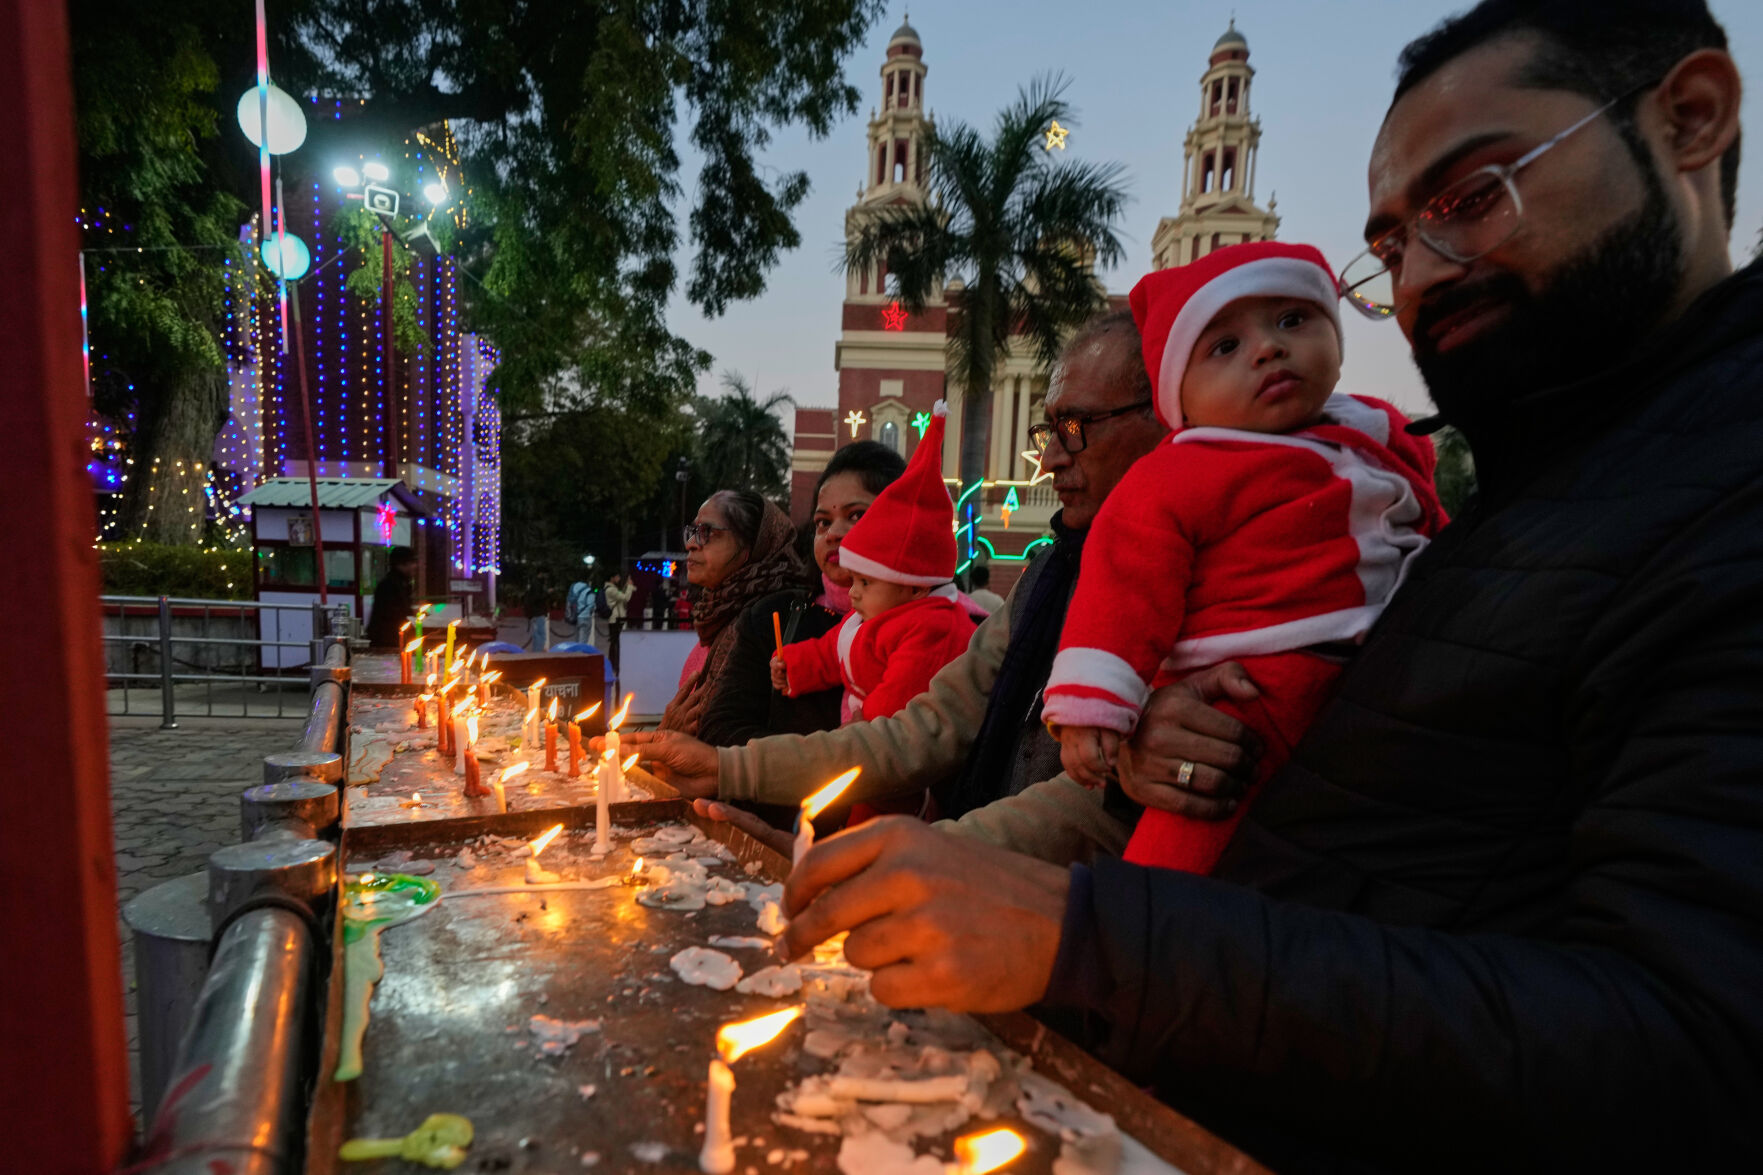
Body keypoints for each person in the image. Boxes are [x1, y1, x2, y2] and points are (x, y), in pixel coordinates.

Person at [776, 1, 1763, 1167]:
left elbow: (1690, 1056)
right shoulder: (1522, 491)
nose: (1420, 278)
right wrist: (1160, 738)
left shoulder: (1713, 500)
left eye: (1470, 195)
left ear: (1689, 120)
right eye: (1390, 246)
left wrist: (1087, 937)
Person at [617, 311, 1206, 860]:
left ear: (1169, 416)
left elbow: (1089, 807)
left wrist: (874, 860)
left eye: (1075, 427)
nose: (1049, 458)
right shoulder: (1047, 578)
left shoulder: (1217, 596)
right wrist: (726, 769)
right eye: (1047, 430)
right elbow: (923, 730)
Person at [1044, 244, 1446, 873]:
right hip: (1249, 692)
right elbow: (1122, 588)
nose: (1268, 348)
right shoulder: (1179, 473)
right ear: (1180, 400)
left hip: (1384, 690)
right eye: (1225, 346)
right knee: (1177, 855)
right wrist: (1095, 704)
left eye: (1292, 320)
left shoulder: (1380, 434)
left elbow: (1430, 521)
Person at [772, 404, 977, 818]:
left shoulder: (934, 626)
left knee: (870, 829)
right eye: (822, 521)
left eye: (857, 516)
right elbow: (833, 651)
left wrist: (859, 732)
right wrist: (794, 665)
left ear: (914, 583)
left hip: (897, 773)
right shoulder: (871, 611)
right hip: (858, 759)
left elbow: (899, 703)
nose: (854, 592)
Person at [698, 442, 906, 748]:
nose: (833, 533)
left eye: (856, 515)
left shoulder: (941, 624)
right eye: (823, 522)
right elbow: (721, 730)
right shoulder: (771, 618)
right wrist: (825, 758)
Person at [657, 490, 802, 736]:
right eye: (692, 531)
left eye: (707, 532)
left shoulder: (773, 621)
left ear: (751, 546)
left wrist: (668, 735)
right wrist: (667, 731)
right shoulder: (716, 617)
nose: (691, 543)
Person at [365, 546, 418, 648]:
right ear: (401, 564)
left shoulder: (402, 583)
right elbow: (392, 614)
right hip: (386, 641)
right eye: (412, 563)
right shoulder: (390, 585)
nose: (415, 566)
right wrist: (412, 612)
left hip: (393, 638)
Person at [601, 573, 633, 670]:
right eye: (617, 577)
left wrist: (627, 586)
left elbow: (621, 596)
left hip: (615, 618)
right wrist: (630, 586)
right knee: (615, 643)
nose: (619, 579)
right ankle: (614, 664)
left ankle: (614, 663)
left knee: (615, 642)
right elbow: (626, 598)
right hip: (615, 619)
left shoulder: (611, 589)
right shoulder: (611, 590)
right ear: (612, 578)